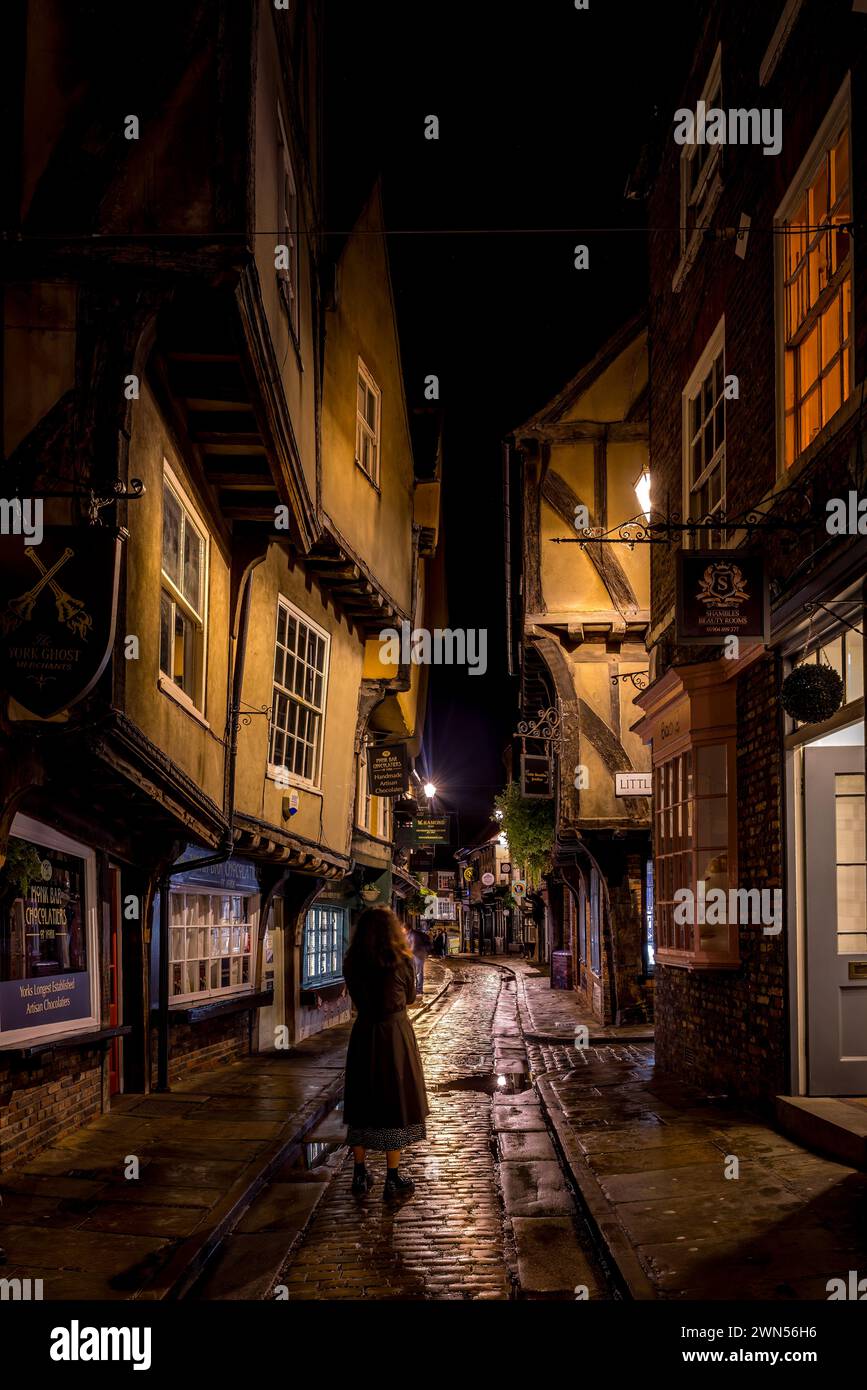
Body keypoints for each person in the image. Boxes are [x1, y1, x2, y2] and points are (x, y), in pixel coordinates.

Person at [343, 907, 431, 1200]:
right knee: (394, 1099)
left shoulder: (353, 961)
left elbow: (354, 998)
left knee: (361, 1099)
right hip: (394, 1035)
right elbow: (411, 997)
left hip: (364, 1034)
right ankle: (392, 1178)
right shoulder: (401, 961)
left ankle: (359, 1174)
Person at [407, 922, 430, 995]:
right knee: (415, 973)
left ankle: (419, 990)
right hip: (416, 955)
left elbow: (414, 947)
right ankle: (416, 989)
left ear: (406, 928)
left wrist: (406, 952)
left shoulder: (414, 935)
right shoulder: (409, 934)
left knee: (418, 973)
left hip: (418, 955)